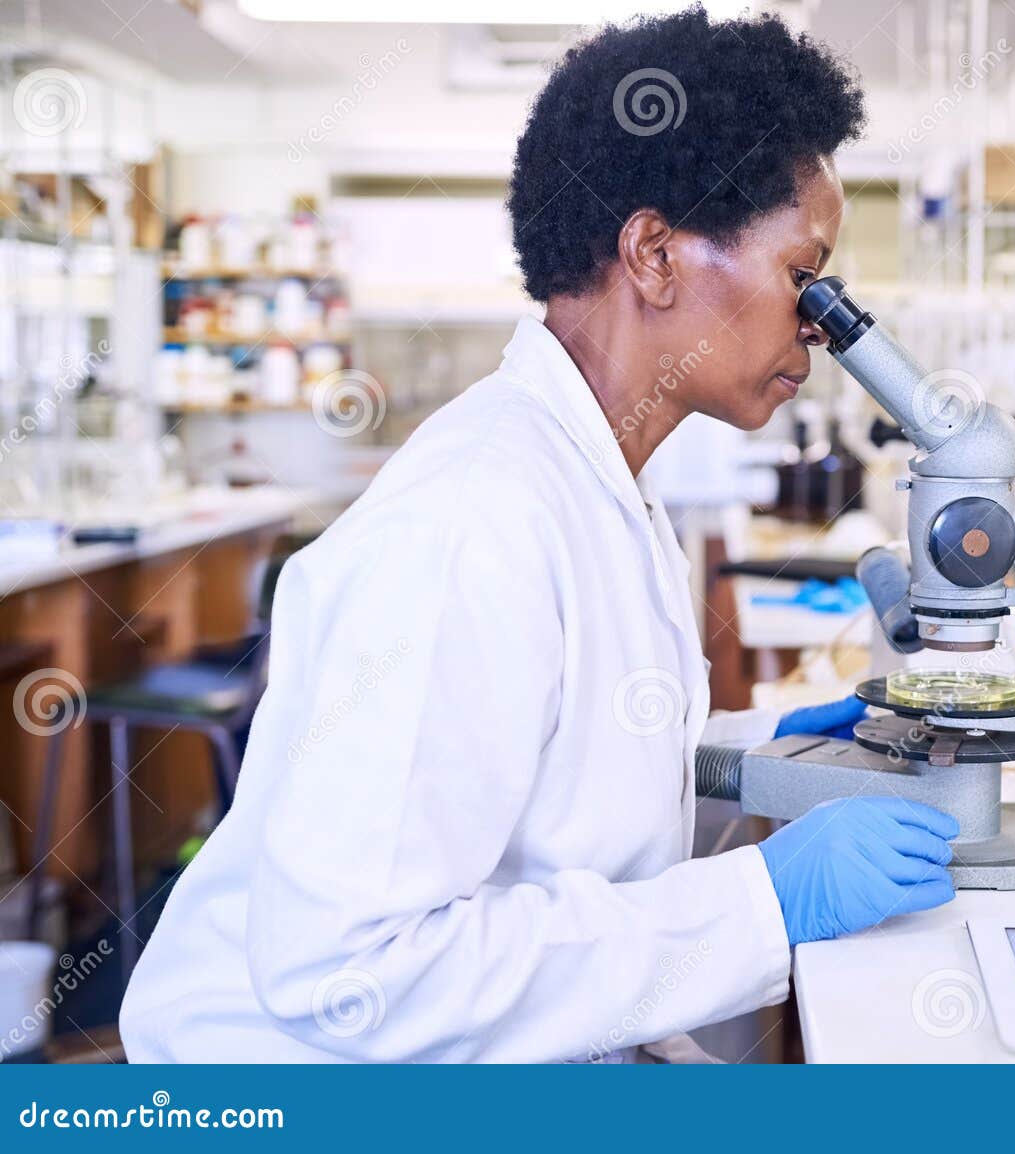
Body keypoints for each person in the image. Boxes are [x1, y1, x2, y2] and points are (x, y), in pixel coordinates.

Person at [120, 7, 958, 1063]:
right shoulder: (473, 522)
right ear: (653, 253)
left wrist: (765, 758)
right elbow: (351, 973)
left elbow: (560, 791)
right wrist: (760, 902)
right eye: (805, 276)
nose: (818, 324)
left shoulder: (595, 482)